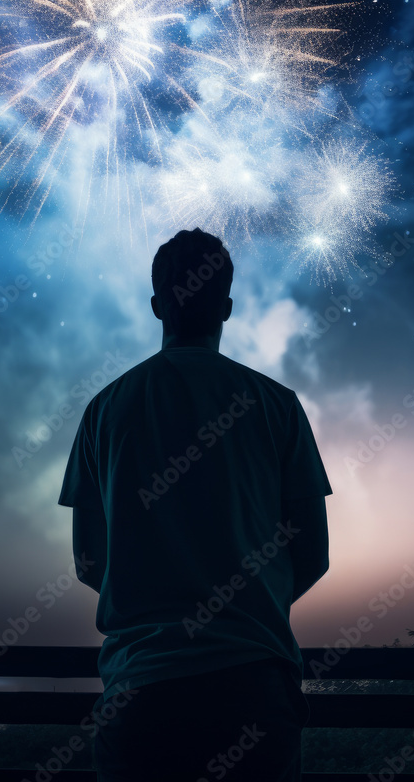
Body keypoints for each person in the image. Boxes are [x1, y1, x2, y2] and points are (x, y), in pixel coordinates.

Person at [58, 227, 332, 781]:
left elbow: (89, 562)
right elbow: (314, 553)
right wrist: (247, 605)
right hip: (254, 686)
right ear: (226, 307)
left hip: (141, 690)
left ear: (157, 304)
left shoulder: (104, 410)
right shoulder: (276, 405)